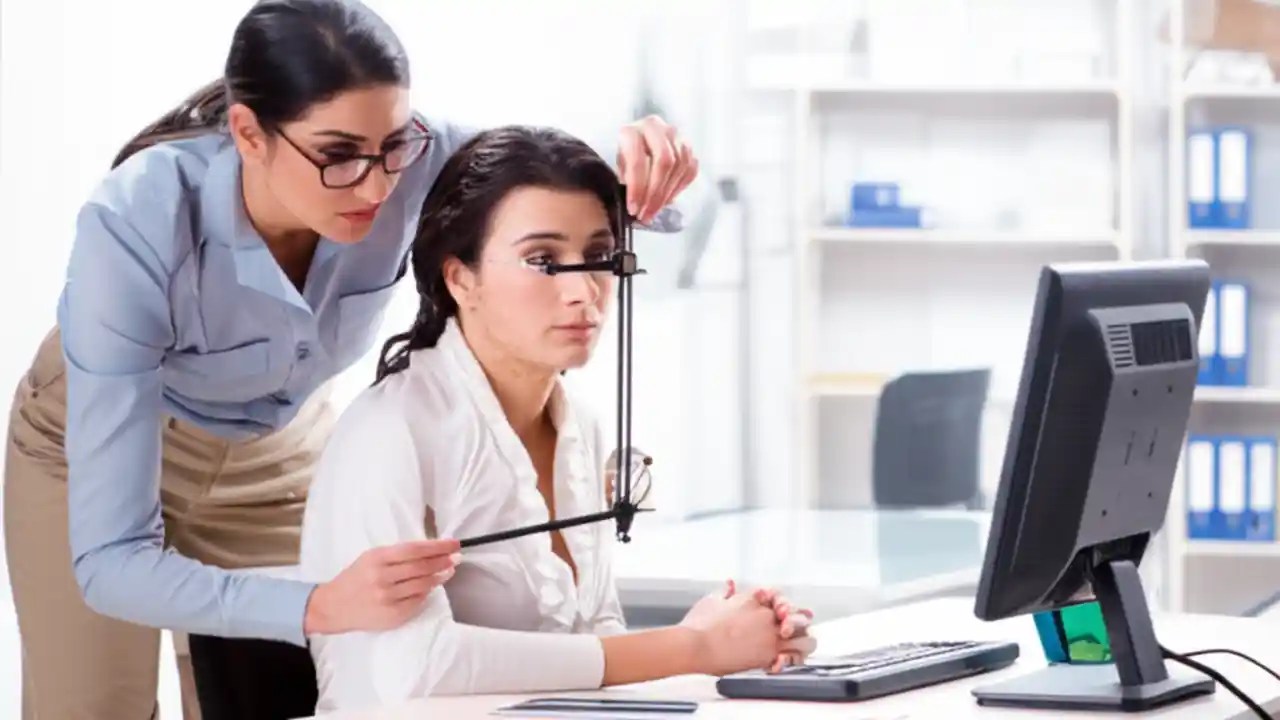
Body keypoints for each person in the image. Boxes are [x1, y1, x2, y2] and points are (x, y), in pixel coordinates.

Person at [1, 1, 699, 717]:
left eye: (393, 145)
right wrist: (316, 603)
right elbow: (112, 563)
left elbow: (561, 194)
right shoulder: (138, 219)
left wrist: (646, 174)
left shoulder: (420, 159)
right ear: (249, 133)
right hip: (95, 438)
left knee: (283, 692)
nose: (377, 186)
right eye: (339, 156)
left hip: (277, 448)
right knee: (90, 707)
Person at [297, 125, 816, 714]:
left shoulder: (584, 430)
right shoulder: (390, 432)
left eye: (597, 256)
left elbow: (592, 641)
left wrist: (726, 638)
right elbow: (410, 669)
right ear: (460, 278)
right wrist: (689, 647)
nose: (585, 293)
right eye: (543, 260)